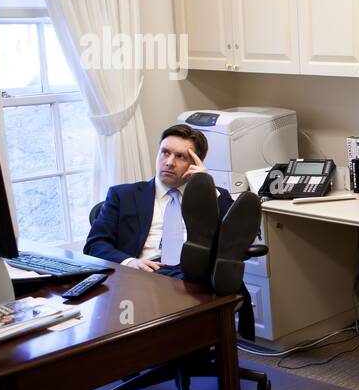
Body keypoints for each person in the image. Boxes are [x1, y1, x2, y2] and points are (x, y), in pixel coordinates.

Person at [85, 124, 262, 297]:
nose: (169, 162)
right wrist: (130, 262)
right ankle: (203, 277)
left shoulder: (215, 196)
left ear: (194, 163)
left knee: (218, 276)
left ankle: (203, 272)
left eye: (180, 157)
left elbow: (233, 237)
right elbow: (95, 244)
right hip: (149, 272)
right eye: (165, 153)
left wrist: (206, 185)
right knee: (198, 283)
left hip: (201, 269)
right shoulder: (123, 195)